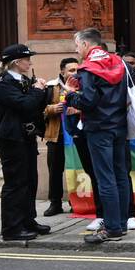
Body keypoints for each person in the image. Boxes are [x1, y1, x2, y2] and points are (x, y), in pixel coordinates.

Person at [65, 29, 131, 245]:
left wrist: (70, 95)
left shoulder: (88, 69)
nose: (76, 50)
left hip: (98, 128)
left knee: (105, 178)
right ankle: (121, 223)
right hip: (119, 125)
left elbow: (88, 102)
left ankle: (111, 228)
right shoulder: (118, 62)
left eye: (77, 45)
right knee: (121, 175)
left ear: (85, 44)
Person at [0, 45, 49, 242]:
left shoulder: (23, 80)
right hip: (11, 139)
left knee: (30, 181)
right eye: (27, 59)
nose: (30, 62)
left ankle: (27, 220)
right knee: (15, 183)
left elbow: (35, 106)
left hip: (25, 137)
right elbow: (25, 106)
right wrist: (36, 91)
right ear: (17, 62)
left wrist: (42, 90)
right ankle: (11, 228)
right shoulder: (5, 84)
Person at [41, 57, 78, 217]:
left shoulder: (83, 85)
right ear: (62, 71)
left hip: (76, 135)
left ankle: (76, 202)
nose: (75, 73)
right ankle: (55, 203)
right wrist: (52, 109)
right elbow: (38, 110)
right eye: (71, 70)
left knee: (77, 170)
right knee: (55, 170)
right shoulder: (50, 87)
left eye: (77, 70)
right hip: (56, 135)